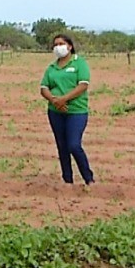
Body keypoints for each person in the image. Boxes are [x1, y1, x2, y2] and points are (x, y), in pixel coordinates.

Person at [40, 33, 94, 186]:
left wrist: (64, 99)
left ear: (70, 46)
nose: (58, 47)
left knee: (73, 145)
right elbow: (44, 87)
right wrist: (54, 100)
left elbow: (83, 85)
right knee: (62, 147)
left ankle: (88, 178)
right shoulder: (52, 67)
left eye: (61, 44)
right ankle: (67, 180)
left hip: (76, 111)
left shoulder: (79, 63)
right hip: (55, 112)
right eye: (55, 44)